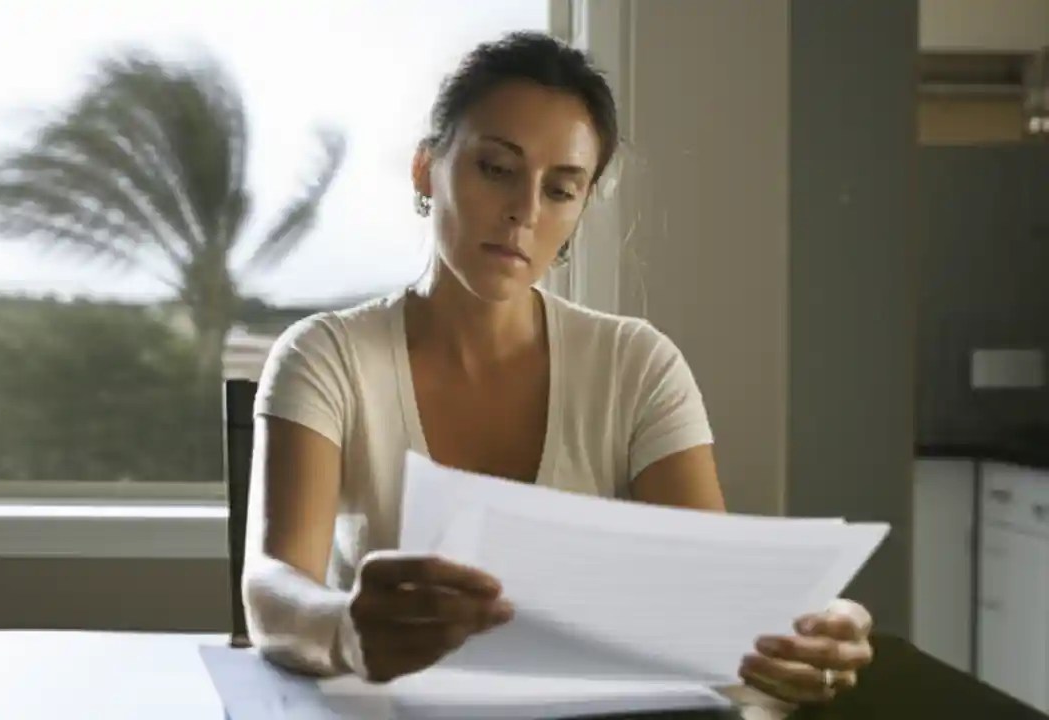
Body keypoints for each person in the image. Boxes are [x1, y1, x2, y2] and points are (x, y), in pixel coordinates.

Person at [242, 30, 873, 706]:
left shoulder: (638, 366)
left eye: (561, 189)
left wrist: (826, 620)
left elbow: (712, 594)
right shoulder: (325, 356)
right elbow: (274, 588)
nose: (524, 211)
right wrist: (345, 629)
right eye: (495, 168)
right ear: (427, 169)